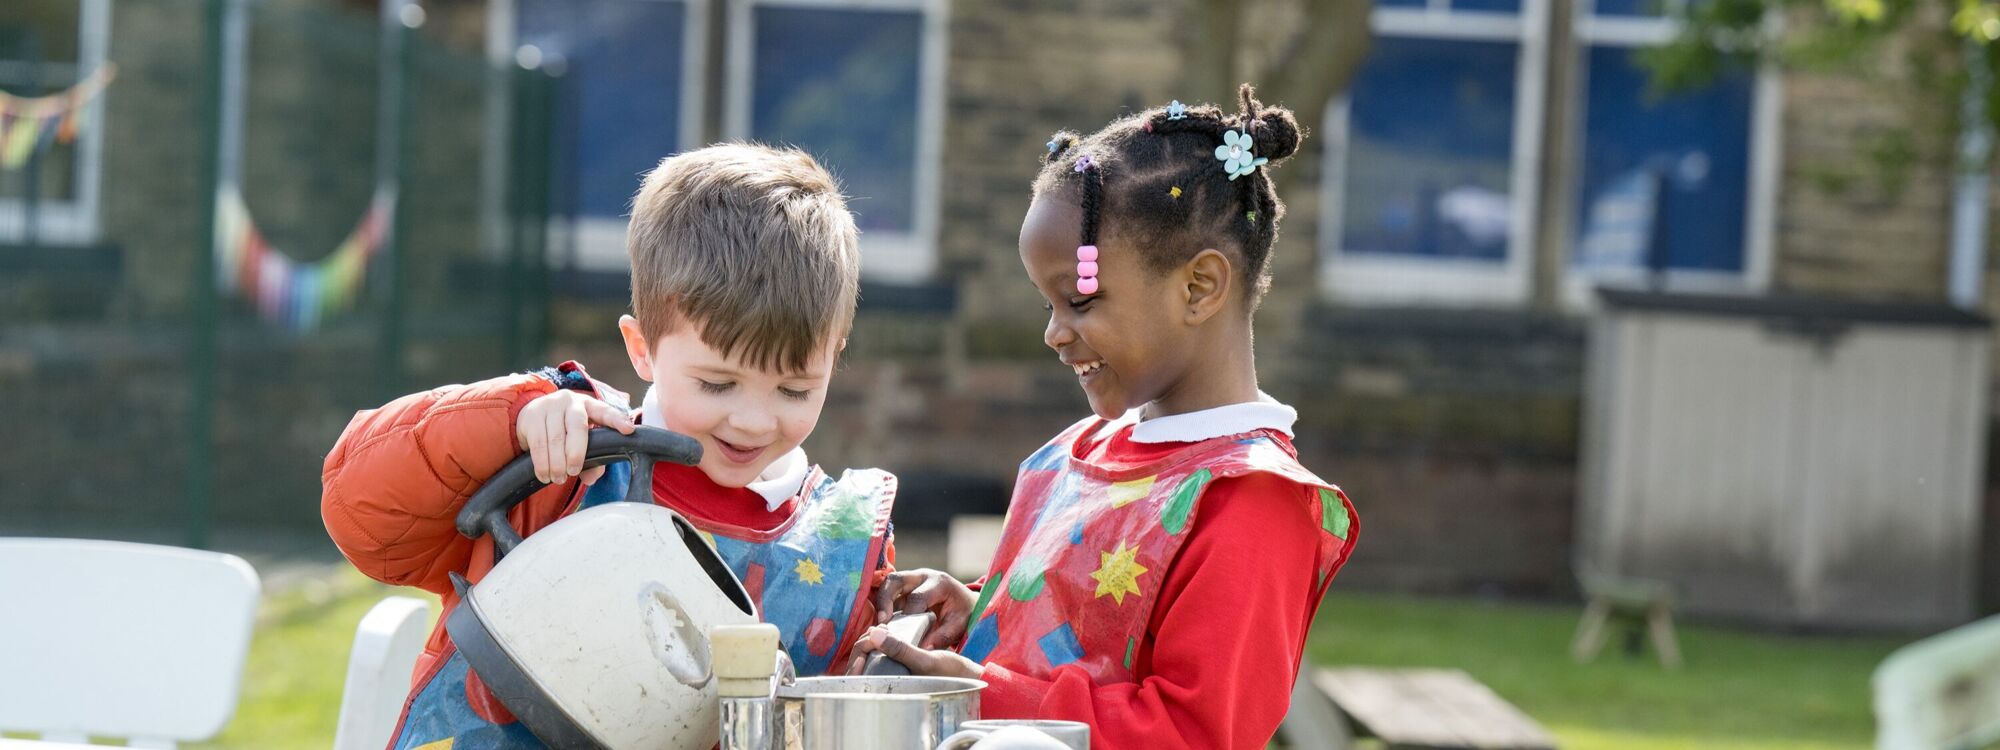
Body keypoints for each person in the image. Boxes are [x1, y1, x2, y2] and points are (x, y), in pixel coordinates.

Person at [321, 144, 898, 748]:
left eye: (794, 389)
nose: (754, 421)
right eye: (717, 383)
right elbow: (361, 511)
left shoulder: (844, 544)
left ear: (834, 360)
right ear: (642, 346)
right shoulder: (566, 460)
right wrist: (510, 422)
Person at [854, 87, 1359, 749]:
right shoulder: (1078, 450)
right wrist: (976, 611)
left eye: (1079, 301)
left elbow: (1197, 733)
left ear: (1199, 287)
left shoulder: (1253, 501)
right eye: (1048, 306)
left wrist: (979, 693)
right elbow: (1083, 634)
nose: (1055, 335)